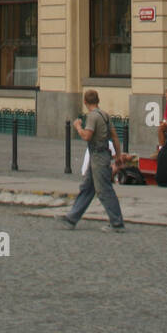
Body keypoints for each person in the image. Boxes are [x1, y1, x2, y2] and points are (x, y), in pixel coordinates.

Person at [57, 89, 126, 231]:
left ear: (85, 102)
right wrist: (118, 155)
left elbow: (87, 136)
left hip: (98, 157)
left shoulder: (92, 117)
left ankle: (117, 223)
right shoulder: (105, 115)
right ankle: (71, 218)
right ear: (98, 100)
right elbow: (115, 137)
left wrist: (77, 127)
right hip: (101, 155)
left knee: (104, 190)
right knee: (87, 188)